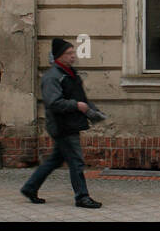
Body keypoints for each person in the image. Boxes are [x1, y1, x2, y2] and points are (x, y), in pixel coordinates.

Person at [20, 38, 102, 208]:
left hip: (71, 123)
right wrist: (76, 105)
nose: (73, 56)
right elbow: (53, 102)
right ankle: (82, 197)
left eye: (73, 52)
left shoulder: (70, 73)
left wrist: (92, 110)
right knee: (76, 161)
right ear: (59, 56)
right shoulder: (53, 77)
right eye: (69, 53)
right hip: (62, 125)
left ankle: (30, 187)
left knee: (56, 160)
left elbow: (80, 97)